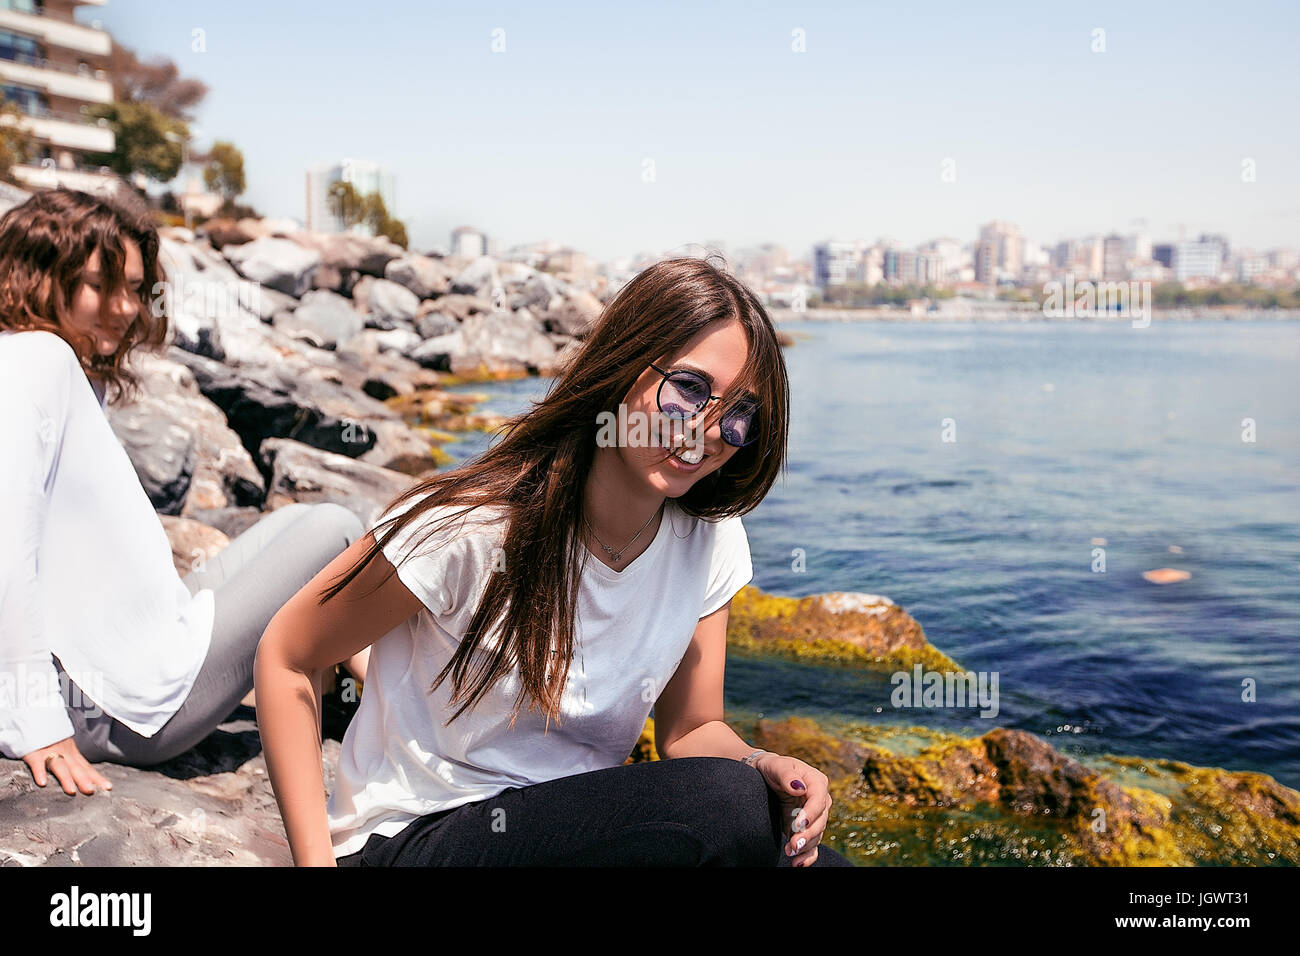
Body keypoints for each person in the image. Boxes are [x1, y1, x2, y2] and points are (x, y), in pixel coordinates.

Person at [257, 255, 855, 867]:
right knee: (727, 803)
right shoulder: (471, 526)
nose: (706, 429)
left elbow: (689, 731)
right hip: (418, 838)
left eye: (738, 415)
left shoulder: (711, 540)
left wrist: (765, 764)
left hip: (572, 833)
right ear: (623, 365)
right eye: (690, 389)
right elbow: (288, 656)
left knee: (812, 859)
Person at [0, 187, 365, 796]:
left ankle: (352, 706)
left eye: (136, 289)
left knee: (304, 527)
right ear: (34, 274)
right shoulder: (34, 359)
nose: (124, 308)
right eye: (100, 284)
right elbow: (4, 542)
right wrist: (33, 720)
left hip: (127, 654)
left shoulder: (48, 364)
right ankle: (401, 722)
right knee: (336, 531)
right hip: (113, 709)